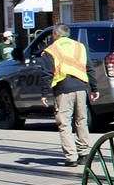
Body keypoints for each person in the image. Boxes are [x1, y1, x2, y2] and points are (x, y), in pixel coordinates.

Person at [39, 24, 98, 167]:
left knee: (64, 123)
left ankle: (71, 157)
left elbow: (47, 74)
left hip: (63, 89)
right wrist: (94, 88)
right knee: (81, 120)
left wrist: (44, 93)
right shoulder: (80, 47)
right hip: (81, 87)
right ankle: (84, 154)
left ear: (55, 34)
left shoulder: (51, 50)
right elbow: (89, 67)